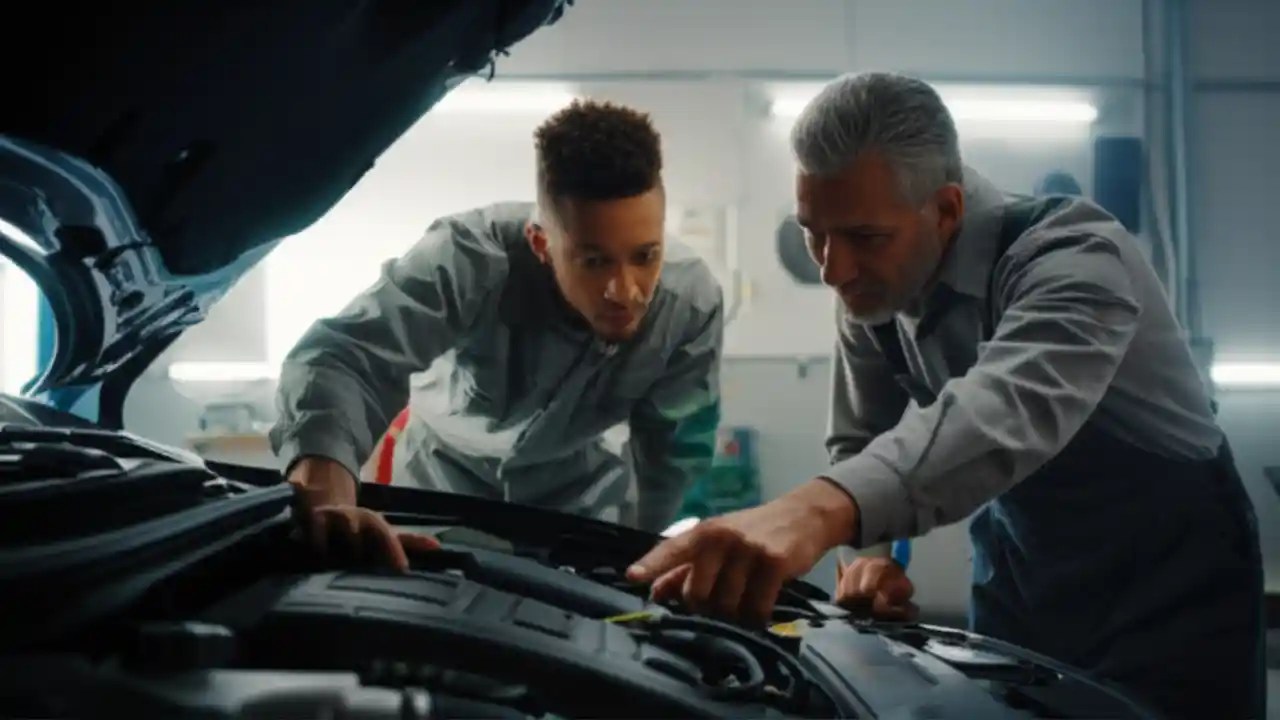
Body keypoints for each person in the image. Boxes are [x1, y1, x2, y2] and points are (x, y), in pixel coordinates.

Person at [627, 72, 1265, 719]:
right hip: (1021, 572)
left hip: (1172, 581)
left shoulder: (1077, 259)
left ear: (948, 209)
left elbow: (1003, 414)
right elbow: (859, 441)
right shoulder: (870, 291)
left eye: (864, 238)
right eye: (813, 232)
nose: (831, 270)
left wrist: (814, 513)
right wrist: (865, 563)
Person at [272, 99, 724, 571]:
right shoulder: (467, 258)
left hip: (578, 503)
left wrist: (641, 550)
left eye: (645, 256)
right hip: (436, 488)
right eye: (594, 261)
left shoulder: (689, 305)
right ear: (541, 244)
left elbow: (674, 451)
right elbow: (346, 358)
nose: (625, 291)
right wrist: (325, 494)